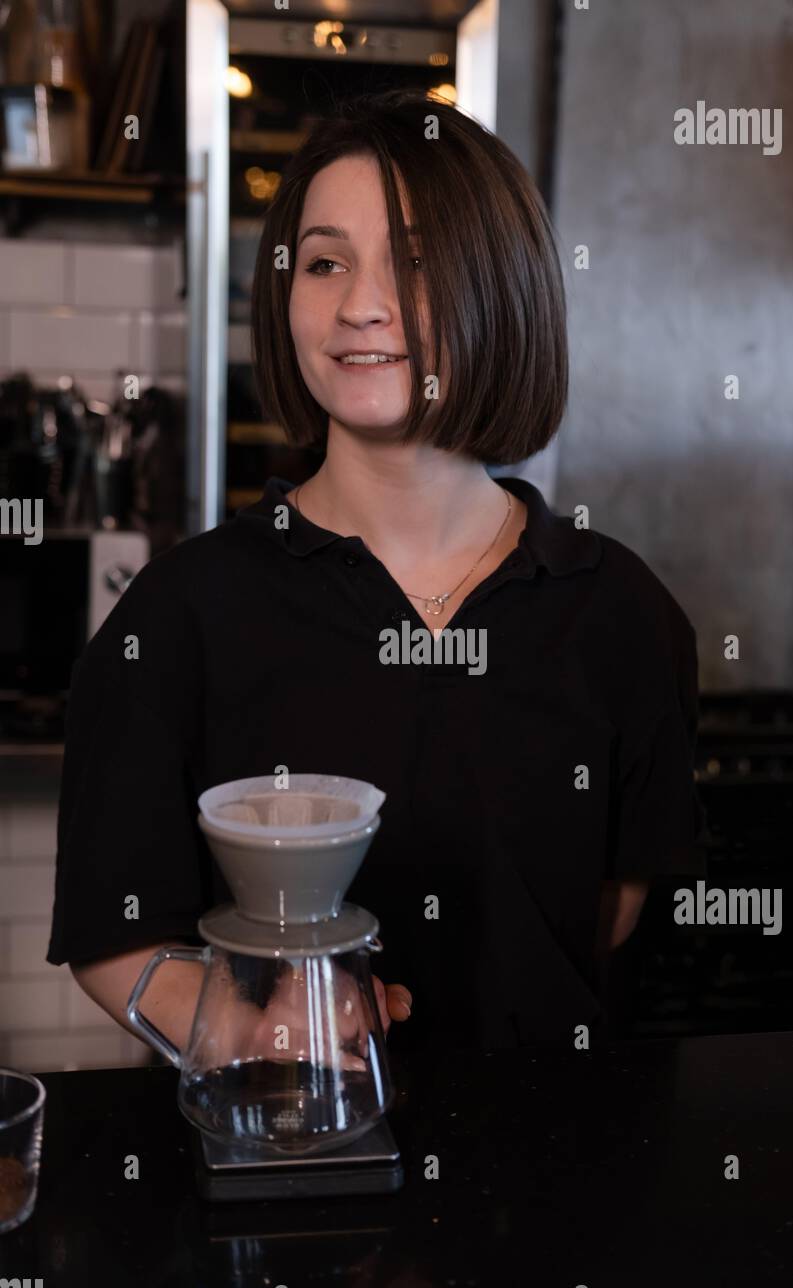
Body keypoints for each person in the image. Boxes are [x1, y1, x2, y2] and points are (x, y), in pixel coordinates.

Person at [48, 89, 705, 1056]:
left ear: (502, 286)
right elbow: (115, 936)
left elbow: (606, 919)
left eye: (415, 261)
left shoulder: (624, 616)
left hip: (555, 1178)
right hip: (279, 1160)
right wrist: (246, 1028)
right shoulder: (181, 613)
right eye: (324, 262)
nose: (360, 304)